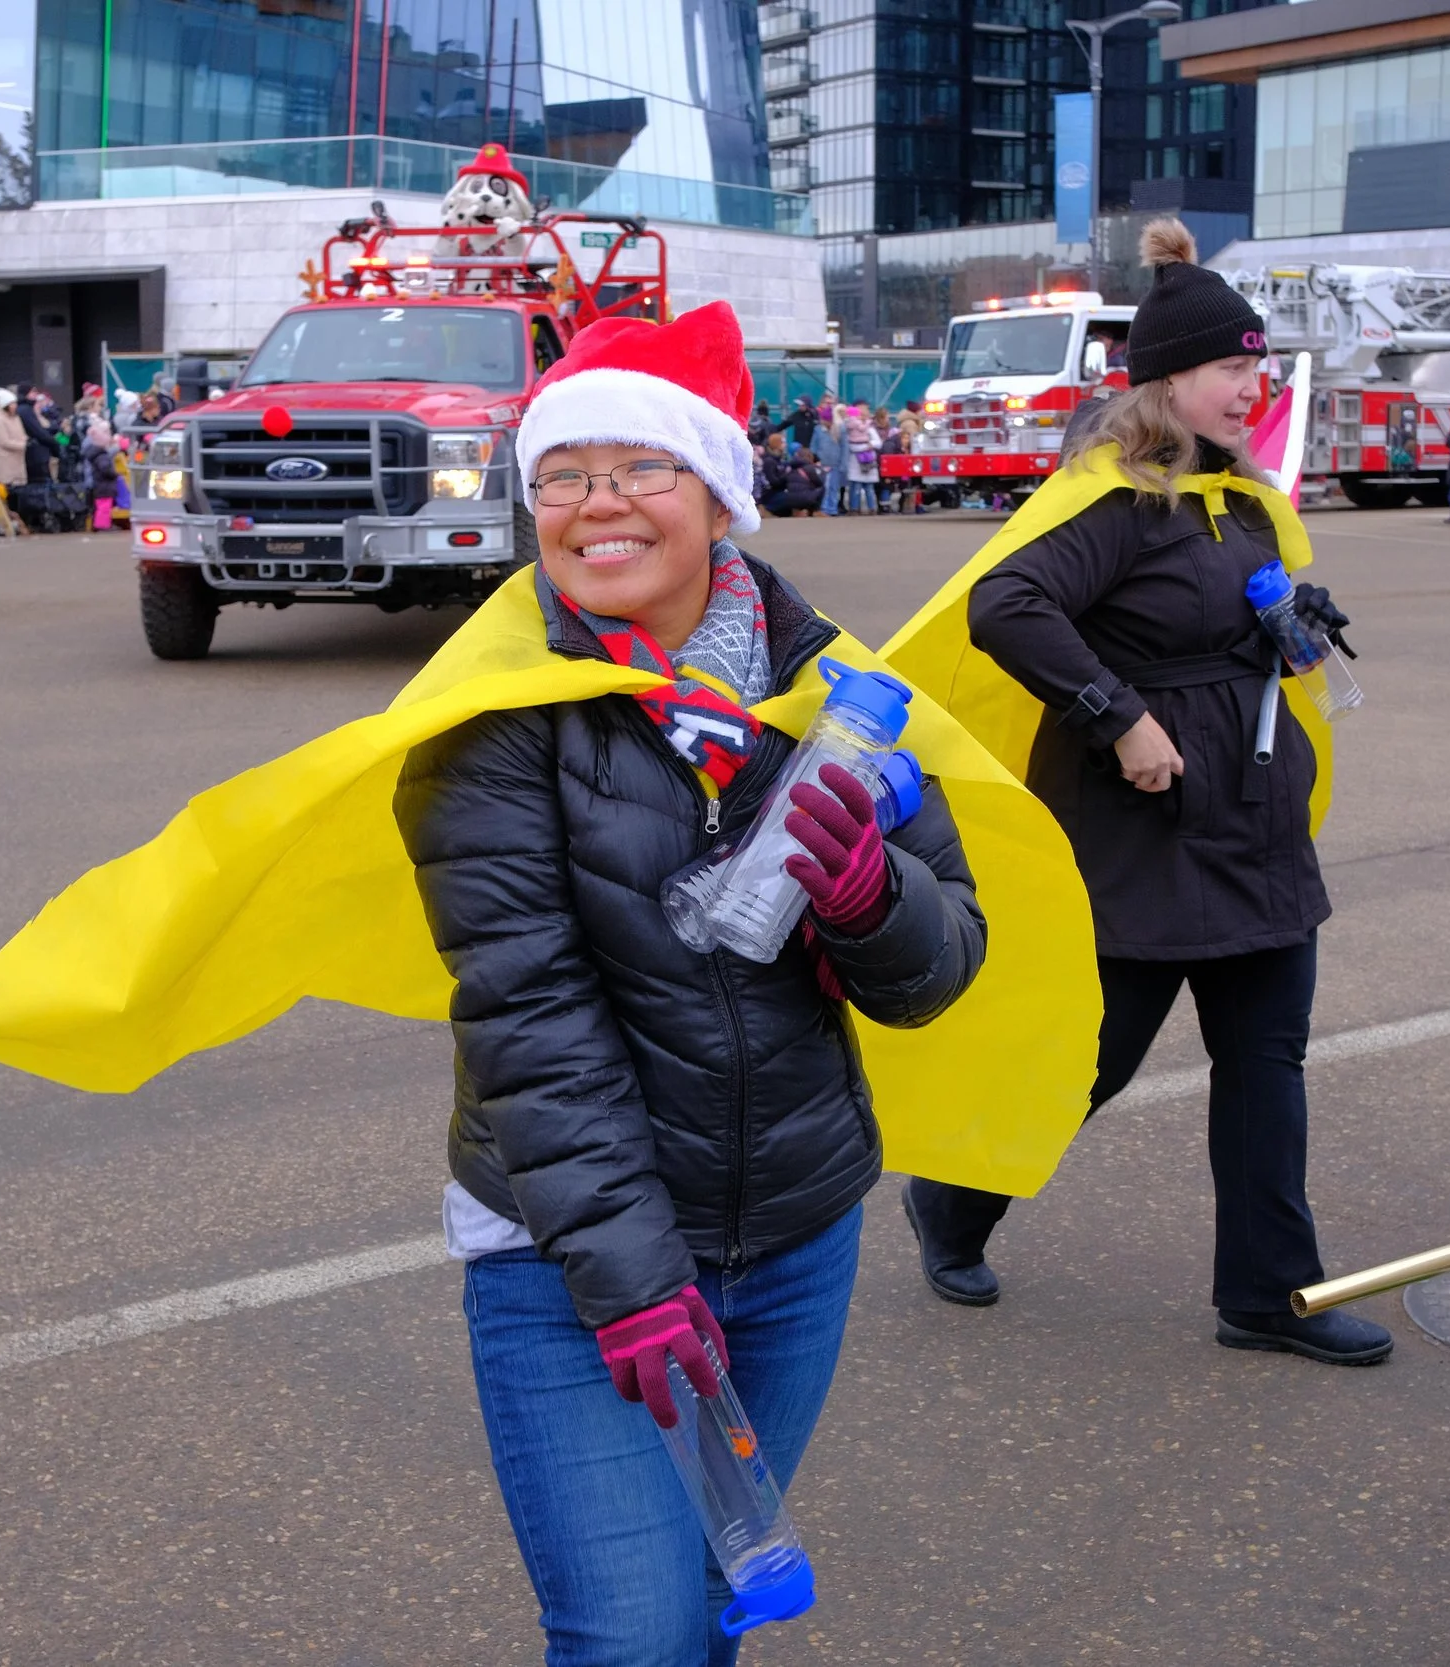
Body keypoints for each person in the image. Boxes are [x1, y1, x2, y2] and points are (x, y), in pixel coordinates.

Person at [391, 301, 988, 1661]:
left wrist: (867, 900)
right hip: (574, 1259)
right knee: (632, 1635)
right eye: (563, 475)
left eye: (640, 468)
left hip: (794, 1230)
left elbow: (939, 964)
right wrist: (633, 1275)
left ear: (718, 493)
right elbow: (530, 1023)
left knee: (714, 1611)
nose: (597, 505)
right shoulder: (489, 717)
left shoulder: (835, 690)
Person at [897, 215, 1387, 1366]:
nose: (1251, 384)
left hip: (1252, 822)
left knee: (1268, 1059)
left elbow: (1245, 612)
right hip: (1143, 829)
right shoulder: (1112, 498)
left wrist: (1296, 625)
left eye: (1256, 365)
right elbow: (1005, 606)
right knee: (1093, 1057)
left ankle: (1269, 1295)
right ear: (1168, 381)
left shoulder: (1240, 492)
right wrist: (1119, 718)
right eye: (1233, 366)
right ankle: (953, 1200)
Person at [0, 388, 30, 491]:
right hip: (5, 463)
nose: (15, 406)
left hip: (18, 460)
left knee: (20, 490)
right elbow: (4, 442)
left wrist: (27, 440)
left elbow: (21, 434)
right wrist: (25, 445)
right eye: (12, 404)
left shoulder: (15, 418)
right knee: (7, 491)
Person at [842, 403, 880, 514]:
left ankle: (872, 508)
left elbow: (878, 442)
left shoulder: (870, 429)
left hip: (867, 460)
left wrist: (869, 445)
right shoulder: (850, 427)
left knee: (868, 487)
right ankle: (854, 508)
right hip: (855, 460)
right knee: (856, 486)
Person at [810, 403, 846, 515]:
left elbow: (844, 447)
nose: (824, 422)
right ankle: (823, 508)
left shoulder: (840, 430)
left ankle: (832, 508)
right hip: (822, 464)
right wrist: (815, 459)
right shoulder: (818, 430)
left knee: (834, 487)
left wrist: (843, 464)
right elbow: (814, 446)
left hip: (835, 463)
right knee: (824, 487)